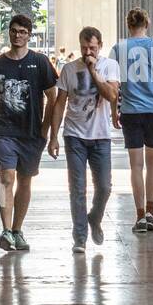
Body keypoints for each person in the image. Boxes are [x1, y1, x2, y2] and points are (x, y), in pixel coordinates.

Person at [0, 14, 58, 252]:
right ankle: (6, 230)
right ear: (8, 33)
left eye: (22, 32)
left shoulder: (40, 62)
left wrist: (46, 130)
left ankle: (17, 230)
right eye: (14, 31)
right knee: (6, 179)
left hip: (31, 134)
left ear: (29, 35)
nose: (17, 35)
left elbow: (54, 97)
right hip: (5, 132)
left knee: (25, 181)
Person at [48, 26, 120, 253]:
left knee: (105, 187)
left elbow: (111, 95)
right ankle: (80, 237)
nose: (88, 51)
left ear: (100, 45)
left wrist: (93, 70)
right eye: (84, 47)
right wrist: (54, 136)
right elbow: (60, 104)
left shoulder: (110, 66)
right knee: (77, 189)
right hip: (74, 135)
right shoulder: (69, 69)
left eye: (93, 47)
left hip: (101, 136)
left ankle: (94, 218)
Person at [109, 7, 153, 233]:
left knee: (135, 165)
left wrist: (114, 112)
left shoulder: (118, 49)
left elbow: (114, 85)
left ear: (128, 25)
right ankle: (151, 212)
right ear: (147, 23)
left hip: (130, 113)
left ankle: (139, 215)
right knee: (152, 163)